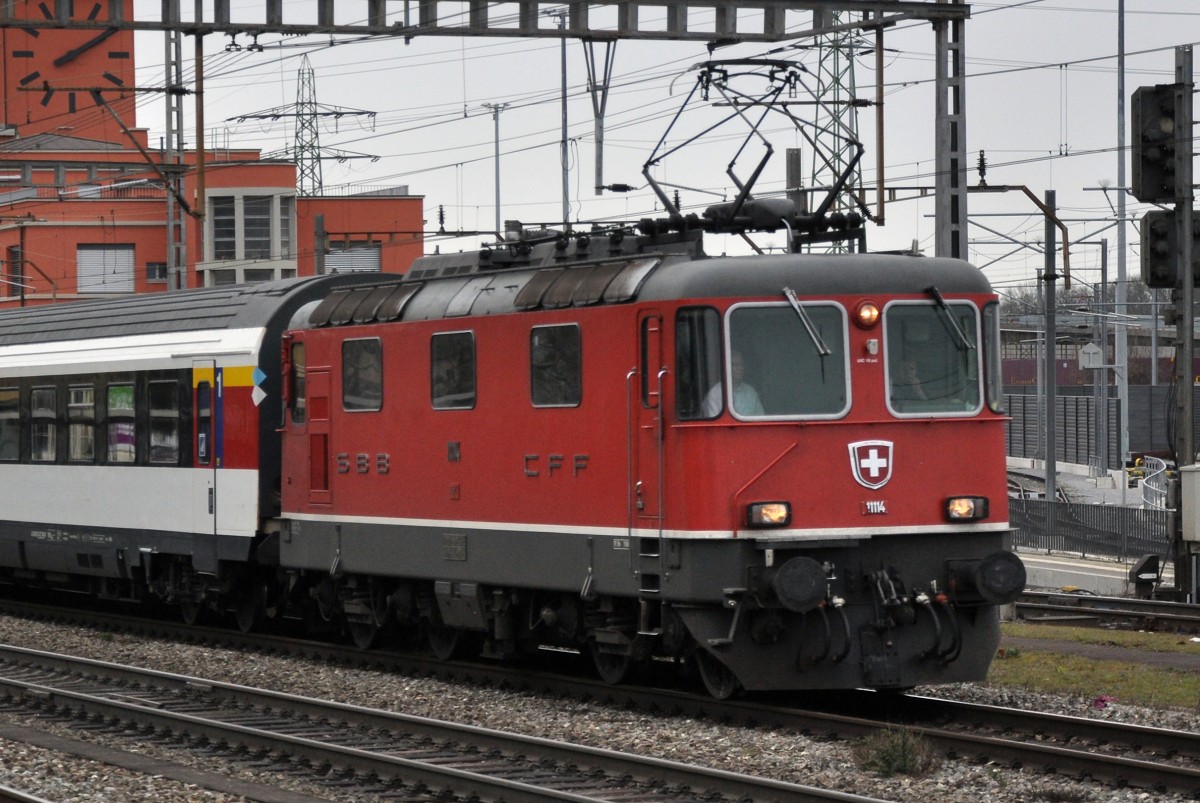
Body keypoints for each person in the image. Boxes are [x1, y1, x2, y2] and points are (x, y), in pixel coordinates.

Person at [702, 350, 764, 417]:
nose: (739, 368)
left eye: (741, 365)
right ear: (726, 367)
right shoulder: (715, 393)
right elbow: (715, 424)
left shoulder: (751, 392)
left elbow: (760, 418)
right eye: (735, 365)